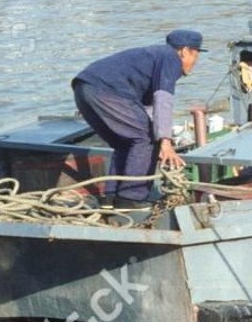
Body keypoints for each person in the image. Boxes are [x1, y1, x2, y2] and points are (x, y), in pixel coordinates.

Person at [71, 29, 206, 208]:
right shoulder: (170, 58)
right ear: (185, 51)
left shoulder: (152, 57)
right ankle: (131, 198)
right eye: (196, 54)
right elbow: (163, 99)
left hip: (83, 88)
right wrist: (165, 143)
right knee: (146, 138)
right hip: (106, 91)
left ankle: (111, 198)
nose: (195, 61)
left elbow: (148, 109)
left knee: (125, 142)